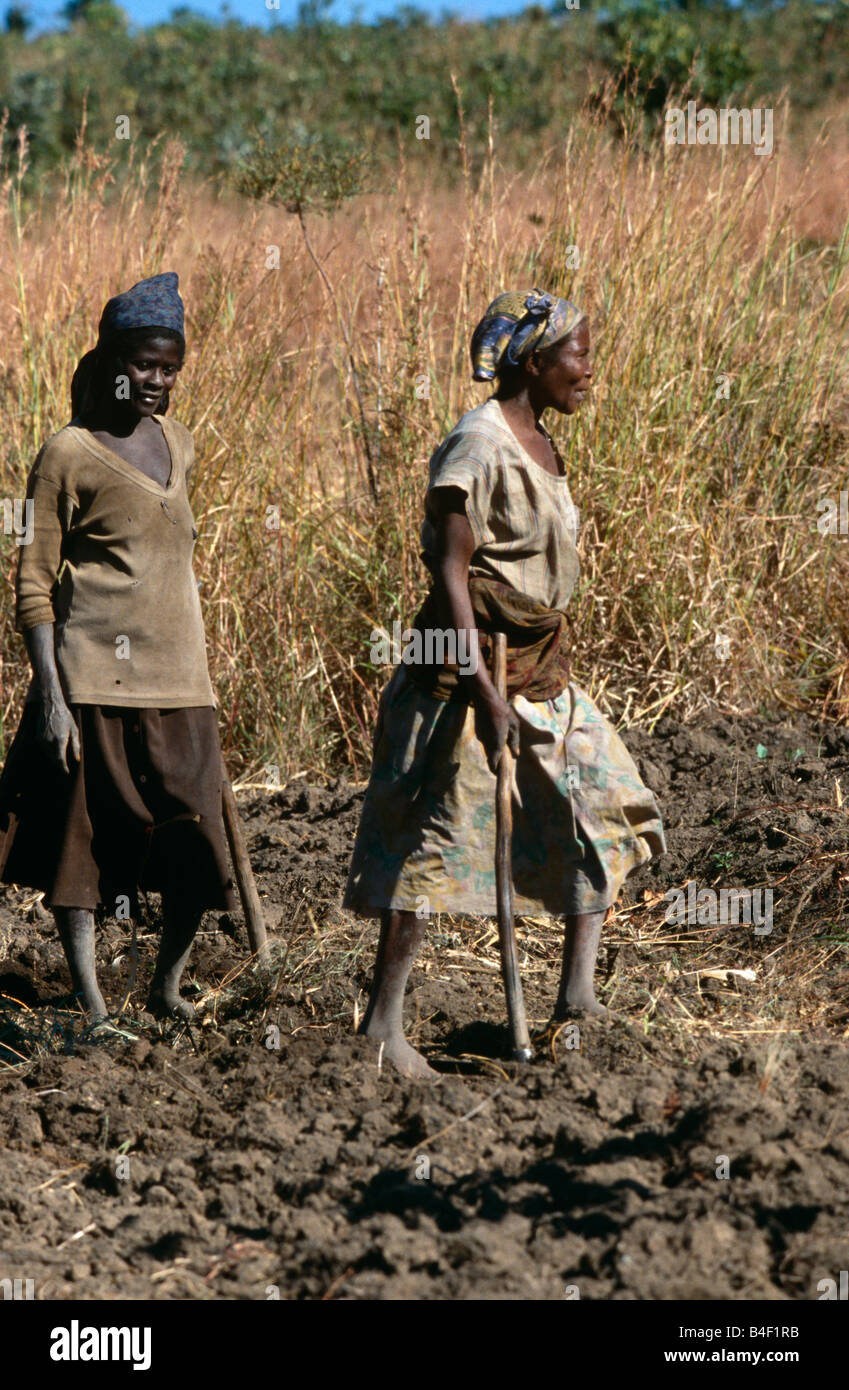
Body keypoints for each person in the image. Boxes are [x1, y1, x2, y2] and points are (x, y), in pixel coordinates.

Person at [344, 288, 666, 1078]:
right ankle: (383, 1029)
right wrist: (486, 698)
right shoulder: (476, 445)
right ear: (533, 361)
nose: (589, 369)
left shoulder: (542, 439)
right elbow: (449, 569)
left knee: (603, 808)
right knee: (433, 849)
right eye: (579, 353)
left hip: (539, 667)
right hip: (468, 674)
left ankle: (577, 999)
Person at [0, 271, 235, 1022]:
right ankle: (92, 1002)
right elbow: (33, 581)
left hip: (181, 679)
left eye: (169, 369)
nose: (157, 382)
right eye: (144, 366)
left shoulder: (181, 442)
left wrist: (204, 675)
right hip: (94, 678)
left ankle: (166, 987)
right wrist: (51, 698)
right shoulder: (66, 453)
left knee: (198, 841)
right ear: (111, 362)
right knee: (86, 843)